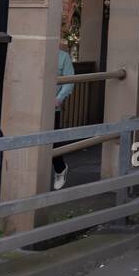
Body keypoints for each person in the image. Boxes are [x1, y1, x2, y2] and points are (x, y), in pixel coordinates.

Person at [53, 33, 76, 190]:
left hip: (52, 106)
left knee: (52, 140)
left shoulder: (64, 57)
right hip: (32, 104)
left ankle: (60, 169)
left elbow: (70, 81)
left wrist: (59, 98)